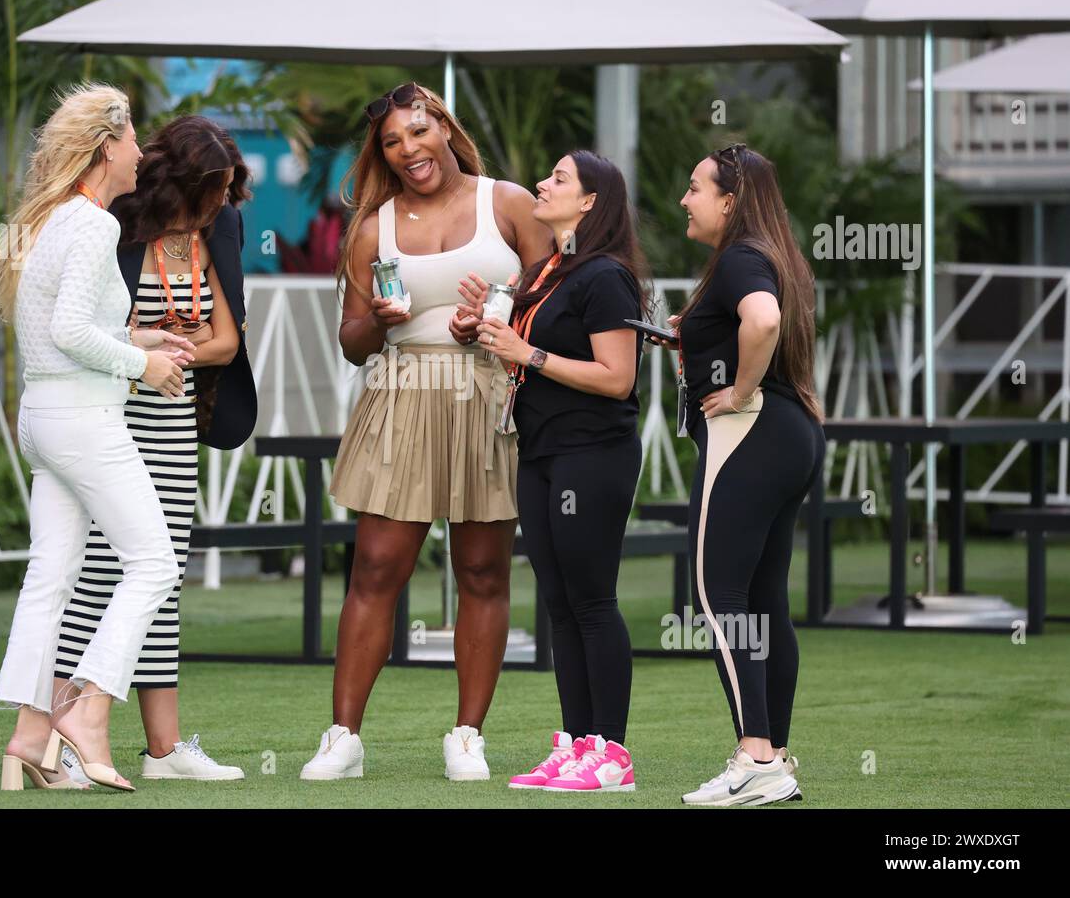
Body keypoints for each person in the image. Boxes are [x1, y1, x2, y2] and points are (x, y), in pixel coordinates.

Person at [300, 82, 553, 781]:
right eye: (392, 142)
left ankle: (468, 735)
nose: (409, 149)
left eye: (419, 131)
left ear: (444, 126)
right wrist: (378, 321)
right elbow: (351, 341)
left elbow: (553, 295)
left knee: (481, 570)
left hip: (489, 395)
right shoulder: (371, 226)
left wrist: (500, 321)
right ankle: (342, 738)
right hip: (401, 391)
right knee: (377, 567)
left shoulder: (508, 203)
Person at [0, 83, 195, 793]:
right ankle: (89, 708)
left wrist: (137, 337)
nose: (142, 151)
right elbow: (69, 333)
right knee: (155, 563)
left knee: (49, 577)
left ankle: (29, 735)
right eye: (134, 138)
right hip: (82, 421)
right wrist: (146, 364)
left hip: (44, 420)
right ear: (107, 145)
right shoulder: (94, 226)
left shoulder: (52, 221)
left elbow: (65, 330)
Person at [51, 115, 256, 782]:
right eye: (213, 189)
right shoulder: (117, 224)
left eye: (228, 189)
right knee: (97, 572)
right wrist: (145, 346)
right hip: (106, 414)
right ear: (181, 184)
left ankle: (164, 752)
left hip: (172, 419)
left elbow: (228, 341)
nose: (223, 202)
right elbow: (87, 331)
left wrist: (152, 343)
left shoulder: (220, 229)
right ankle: (63, 735)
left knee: (162, 577)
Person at [473, 151, 648, 793]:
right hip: (542, 449)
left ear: (591, 202)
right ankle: (577, 744)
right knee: (560, 603)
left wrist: (530, 351)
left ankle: (613, 753)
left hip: (591, 452)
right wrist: (490, 331)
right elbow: (526, 359)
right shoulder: (551, 270)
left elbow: (617, 377)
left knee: (592, 600)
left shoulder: (606, 276)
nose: (543, 184)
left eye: (560, 178)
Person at [666, 142, 824, 806]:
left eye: (696, 187)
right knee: (762, 601)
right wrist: (692, 343)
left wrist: (736, 391)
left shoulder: (738, 257)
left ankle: (754, 758)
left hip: (751, 431)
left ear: (729, 201)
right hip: (791, 434)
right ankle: (775, 757)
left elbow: (762, 320)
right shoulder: (773, 254)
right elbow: (754, 324)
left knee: (716, 592)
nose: (685, 199)